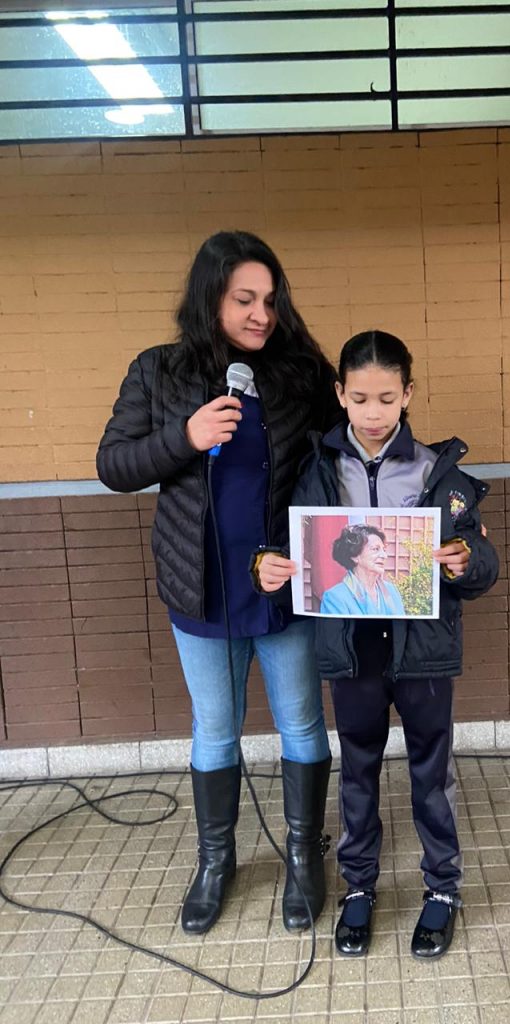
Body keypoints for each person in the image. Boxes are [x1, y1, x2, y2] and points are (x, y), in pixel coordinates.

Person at [96, 230, 340, 937]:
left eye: (270, 300)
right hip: (199, 588)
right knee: (214, 728)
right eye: (244, 299)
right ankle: (216, 861)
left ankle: (303, 855)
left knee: (299, 721)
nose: (261, 314)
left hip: (284, 586)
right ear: (211, 297)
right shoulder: (157, 372)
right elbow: (113, 466)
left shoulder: (300, 373)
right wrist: (186, 437)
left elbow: (339, 461)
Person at [255, 330, 499, 960]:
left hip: (422, 653)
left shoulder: (437, 473)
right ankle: (358, 887)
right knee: (357, 769)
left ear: (408, 395)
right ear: (339, 394)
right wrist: (275, 569)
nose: (372, 411)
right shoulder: (316, 470)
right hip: (352, 651)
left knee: (431, 773)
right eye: (359, 397)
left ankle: (442, 890)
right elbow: (295, 559)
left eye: (386, 398)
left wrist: (462, 562)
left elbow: (483, 563)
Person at [320, 524, 406, 616]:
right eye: (375, 549)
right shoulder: (335, 597)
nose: (384, 556)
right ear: (354, 555)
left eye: (384, 550)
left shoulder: (392, 590)